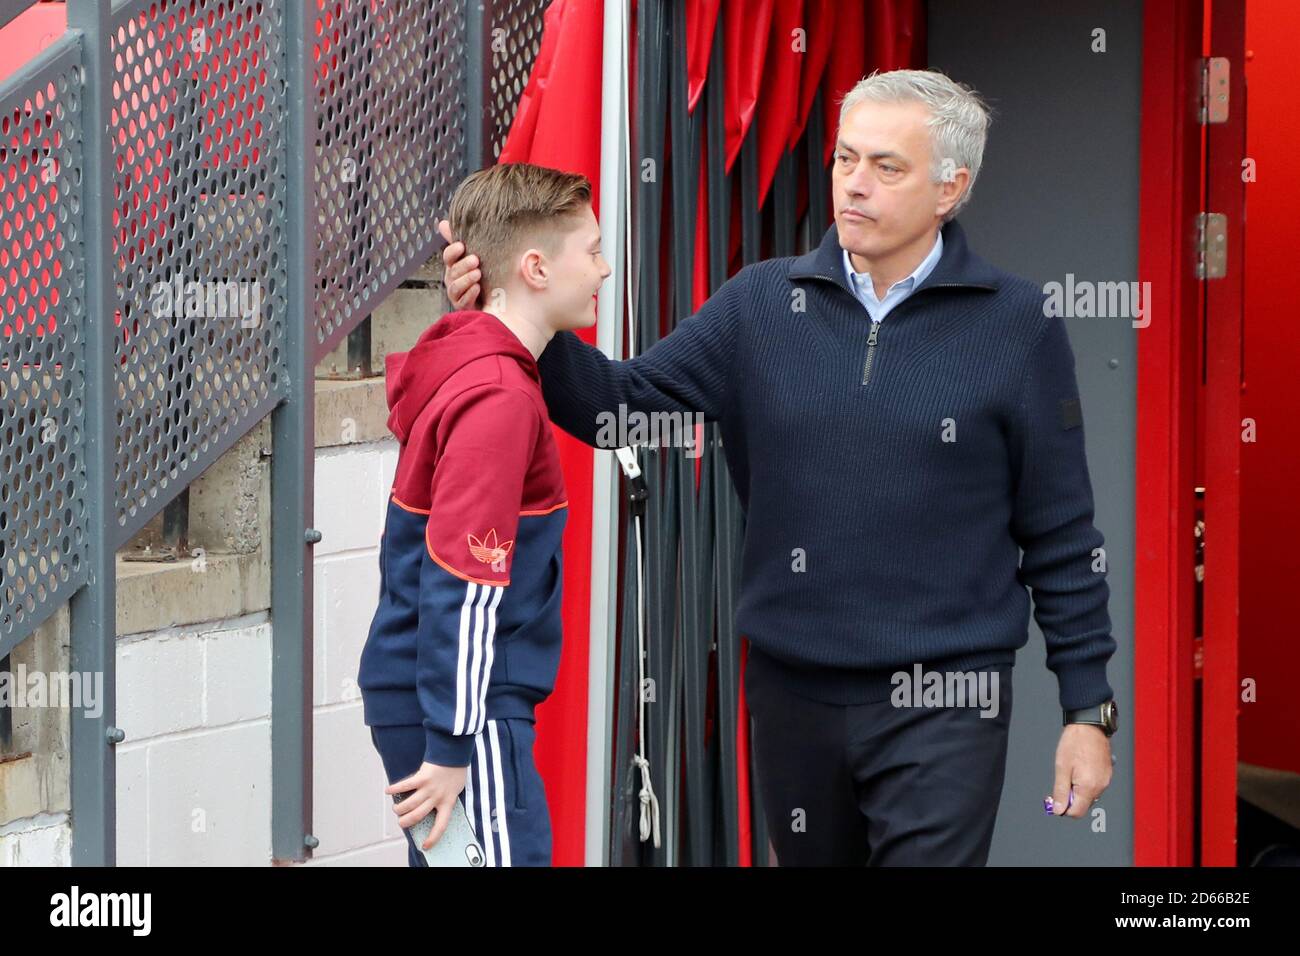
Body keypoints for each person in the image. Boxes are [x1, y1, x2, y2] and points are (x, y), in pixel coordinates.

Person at [440, 68, 1118, 866]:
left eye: (886, 167)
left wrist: (1087, 711)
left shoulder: (1018, 327)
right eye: (844, 159)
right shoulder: (763, 304)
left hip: (947, 699)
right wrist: (514, 317)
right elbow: (617, 404)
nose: (854, 185)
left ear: (951, 187)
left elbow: (1062, 532)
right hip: (793, 694)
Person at [359, 162, 611, 866]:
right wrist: (451, 744)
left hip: (440, 697)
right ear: (535, 267)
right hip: (464, 713)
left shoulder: (466, 354)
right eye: (590, 251)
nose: (605, 267)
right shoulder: (499, 395)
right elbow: (464, 582)